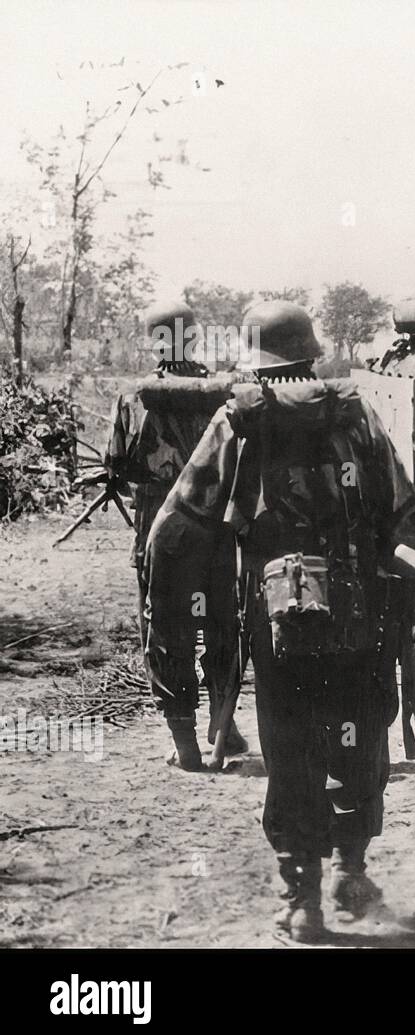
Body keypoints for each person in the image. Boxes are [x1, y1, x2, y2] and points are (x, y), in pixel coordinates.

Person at [144, 301, 415, 941]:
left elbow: (175, 529)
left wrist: (174, 611)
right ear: (310, 354)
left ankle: (302, 901)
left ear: (253, 359)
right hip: (358, 620)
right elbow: (406, 513)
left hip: (279, 625)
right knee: (359, 736)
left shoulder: (238, 422)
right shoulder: (355, 414)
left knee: (289, 745)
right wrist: (405, 611)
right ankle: (350, 868)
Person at [104, 300, 245, 768]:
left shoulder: (134, 396)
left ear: (155, 339)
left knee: (165, 625)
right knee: (222, 620)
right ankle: (225, 727)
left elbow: (117, 467)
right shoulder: (221, 392)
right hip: (216, 523)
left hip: (158, 528)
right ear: (196, 336)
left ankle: (183, 739)